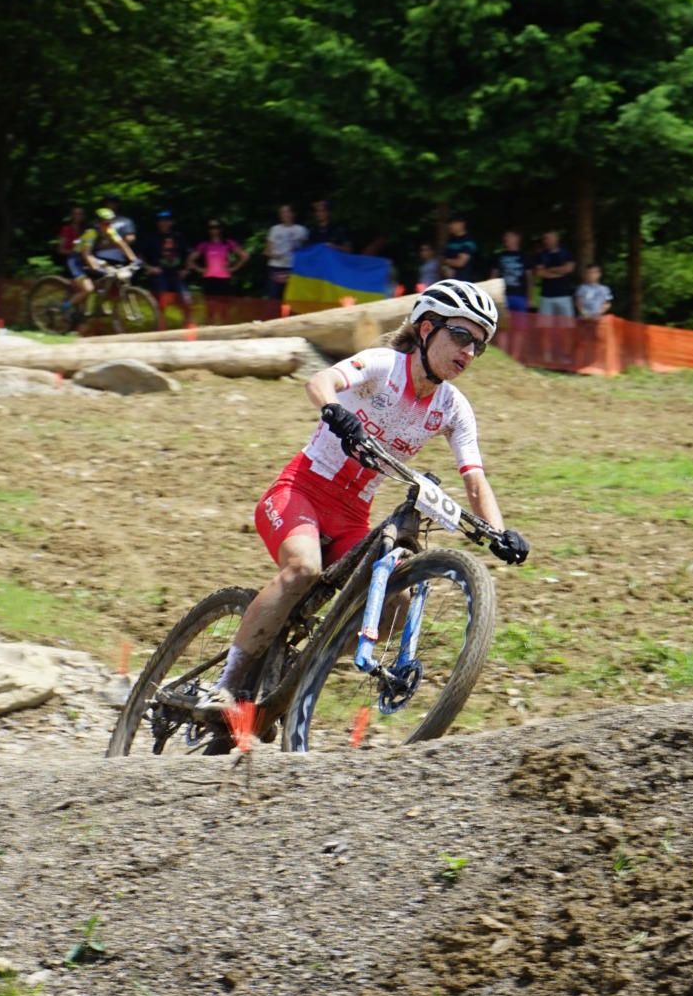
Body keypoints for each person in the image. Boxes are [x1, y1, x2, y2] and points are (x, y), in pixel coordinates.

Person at [198, 279, 530, 711]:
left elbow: (474, 479)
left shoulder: (452, 407)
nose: (468, 352)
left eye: (478, 346)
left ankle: (309, 667)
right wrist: (333, 410)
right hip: (301, 491)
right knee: (303, 569)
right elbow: (319, 381)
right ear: (426, 330)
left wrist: (499, 532)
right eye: (461, 336)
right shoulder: (383, 365)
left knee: (396, 603)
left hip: (352, 517)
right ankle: (226, 684)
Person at [71, 206, 139, 314]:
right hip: (76, 259)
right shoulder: (91, 233)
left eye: (110, 223)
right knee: (88, 289)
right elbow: (86, 254)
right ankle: (64, 307)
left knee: (111, 275)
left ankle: (99, 305)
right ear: (98, 222)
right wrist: (95, 267)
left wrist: (134, 259)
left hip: (90, 256)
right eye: (105, 223)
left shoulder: (110, 230)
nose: (108, 226)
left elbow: (122, 244)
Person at [188, 219, 249, 298]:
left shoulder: (228, 243)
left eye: (216, 227)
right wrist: (200, 269)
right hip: (209, 279)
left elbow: (245, 256)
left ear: (221, 229)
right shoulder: (204, 245)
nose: (214, 230)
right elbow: (190, 259)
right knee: (210, 307)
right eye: (211, 227)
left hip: (224, 278)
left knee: (224, 307)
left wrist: (234, 268)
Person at [142, 210, 191, 308]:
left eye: (166, 221)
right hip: (160, 275)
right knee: (161, 300)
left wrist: (186, 269)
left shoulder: (179, 237)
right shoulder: (151, 238)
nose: (164, 223)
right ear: (157, 223)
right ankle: (160, 322)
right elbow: (138, 255)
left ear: (172, 222)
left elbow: (190, 253)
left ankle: (188, 322)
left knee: (186, 299)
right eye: (161, 221)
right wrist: (148, 268)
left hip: (177, 275)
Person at [263, 204, 309, 300]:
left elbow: (307, 250)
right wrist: (274, 255)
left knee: (292, 297)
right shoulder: (275, 229)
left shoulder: (301, 230)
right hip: (276, 267)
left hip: (293, 268)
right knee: (274, 297)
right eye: (281, 212)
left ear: (293, 214)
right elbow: (266, 250)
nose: (284, 214)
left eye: (286, 212)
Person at [534, 231, 576, 317]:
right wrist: (560, 272)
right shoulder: (541, 255)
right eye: (545, 239)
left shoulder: (566, 253)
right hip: (546, 296)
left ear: (556, 238)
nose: (547, 241)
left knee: (566, 326)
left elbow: (568, 269)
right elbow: (540, 273)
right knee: (545, 327)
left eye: (549, 238)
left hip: (564, 295)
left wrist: (549, 270)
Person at [491, 230, 529, 312]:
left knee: (520, 323)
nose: (506, 238)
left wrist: (530, 298)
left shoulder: (524, 257)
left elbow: (529, 278)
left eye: (509, 236)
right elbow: (493, 276)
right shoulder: (499, 256)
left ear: (517, 239)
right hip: (502, 297)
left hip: (520, 296)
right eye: (505, 236)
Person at [441, 214, 479, 282]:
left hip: (464, 282)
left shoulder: (469, 240)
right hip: (449, 282)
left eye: (453, 223)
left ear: (462, 224)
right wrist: (445, 269)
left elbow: (460, 262)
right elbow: (442, 260)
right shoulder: (450, 241)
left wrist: (447, 261)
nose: (450, 226)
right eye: (449, 224)